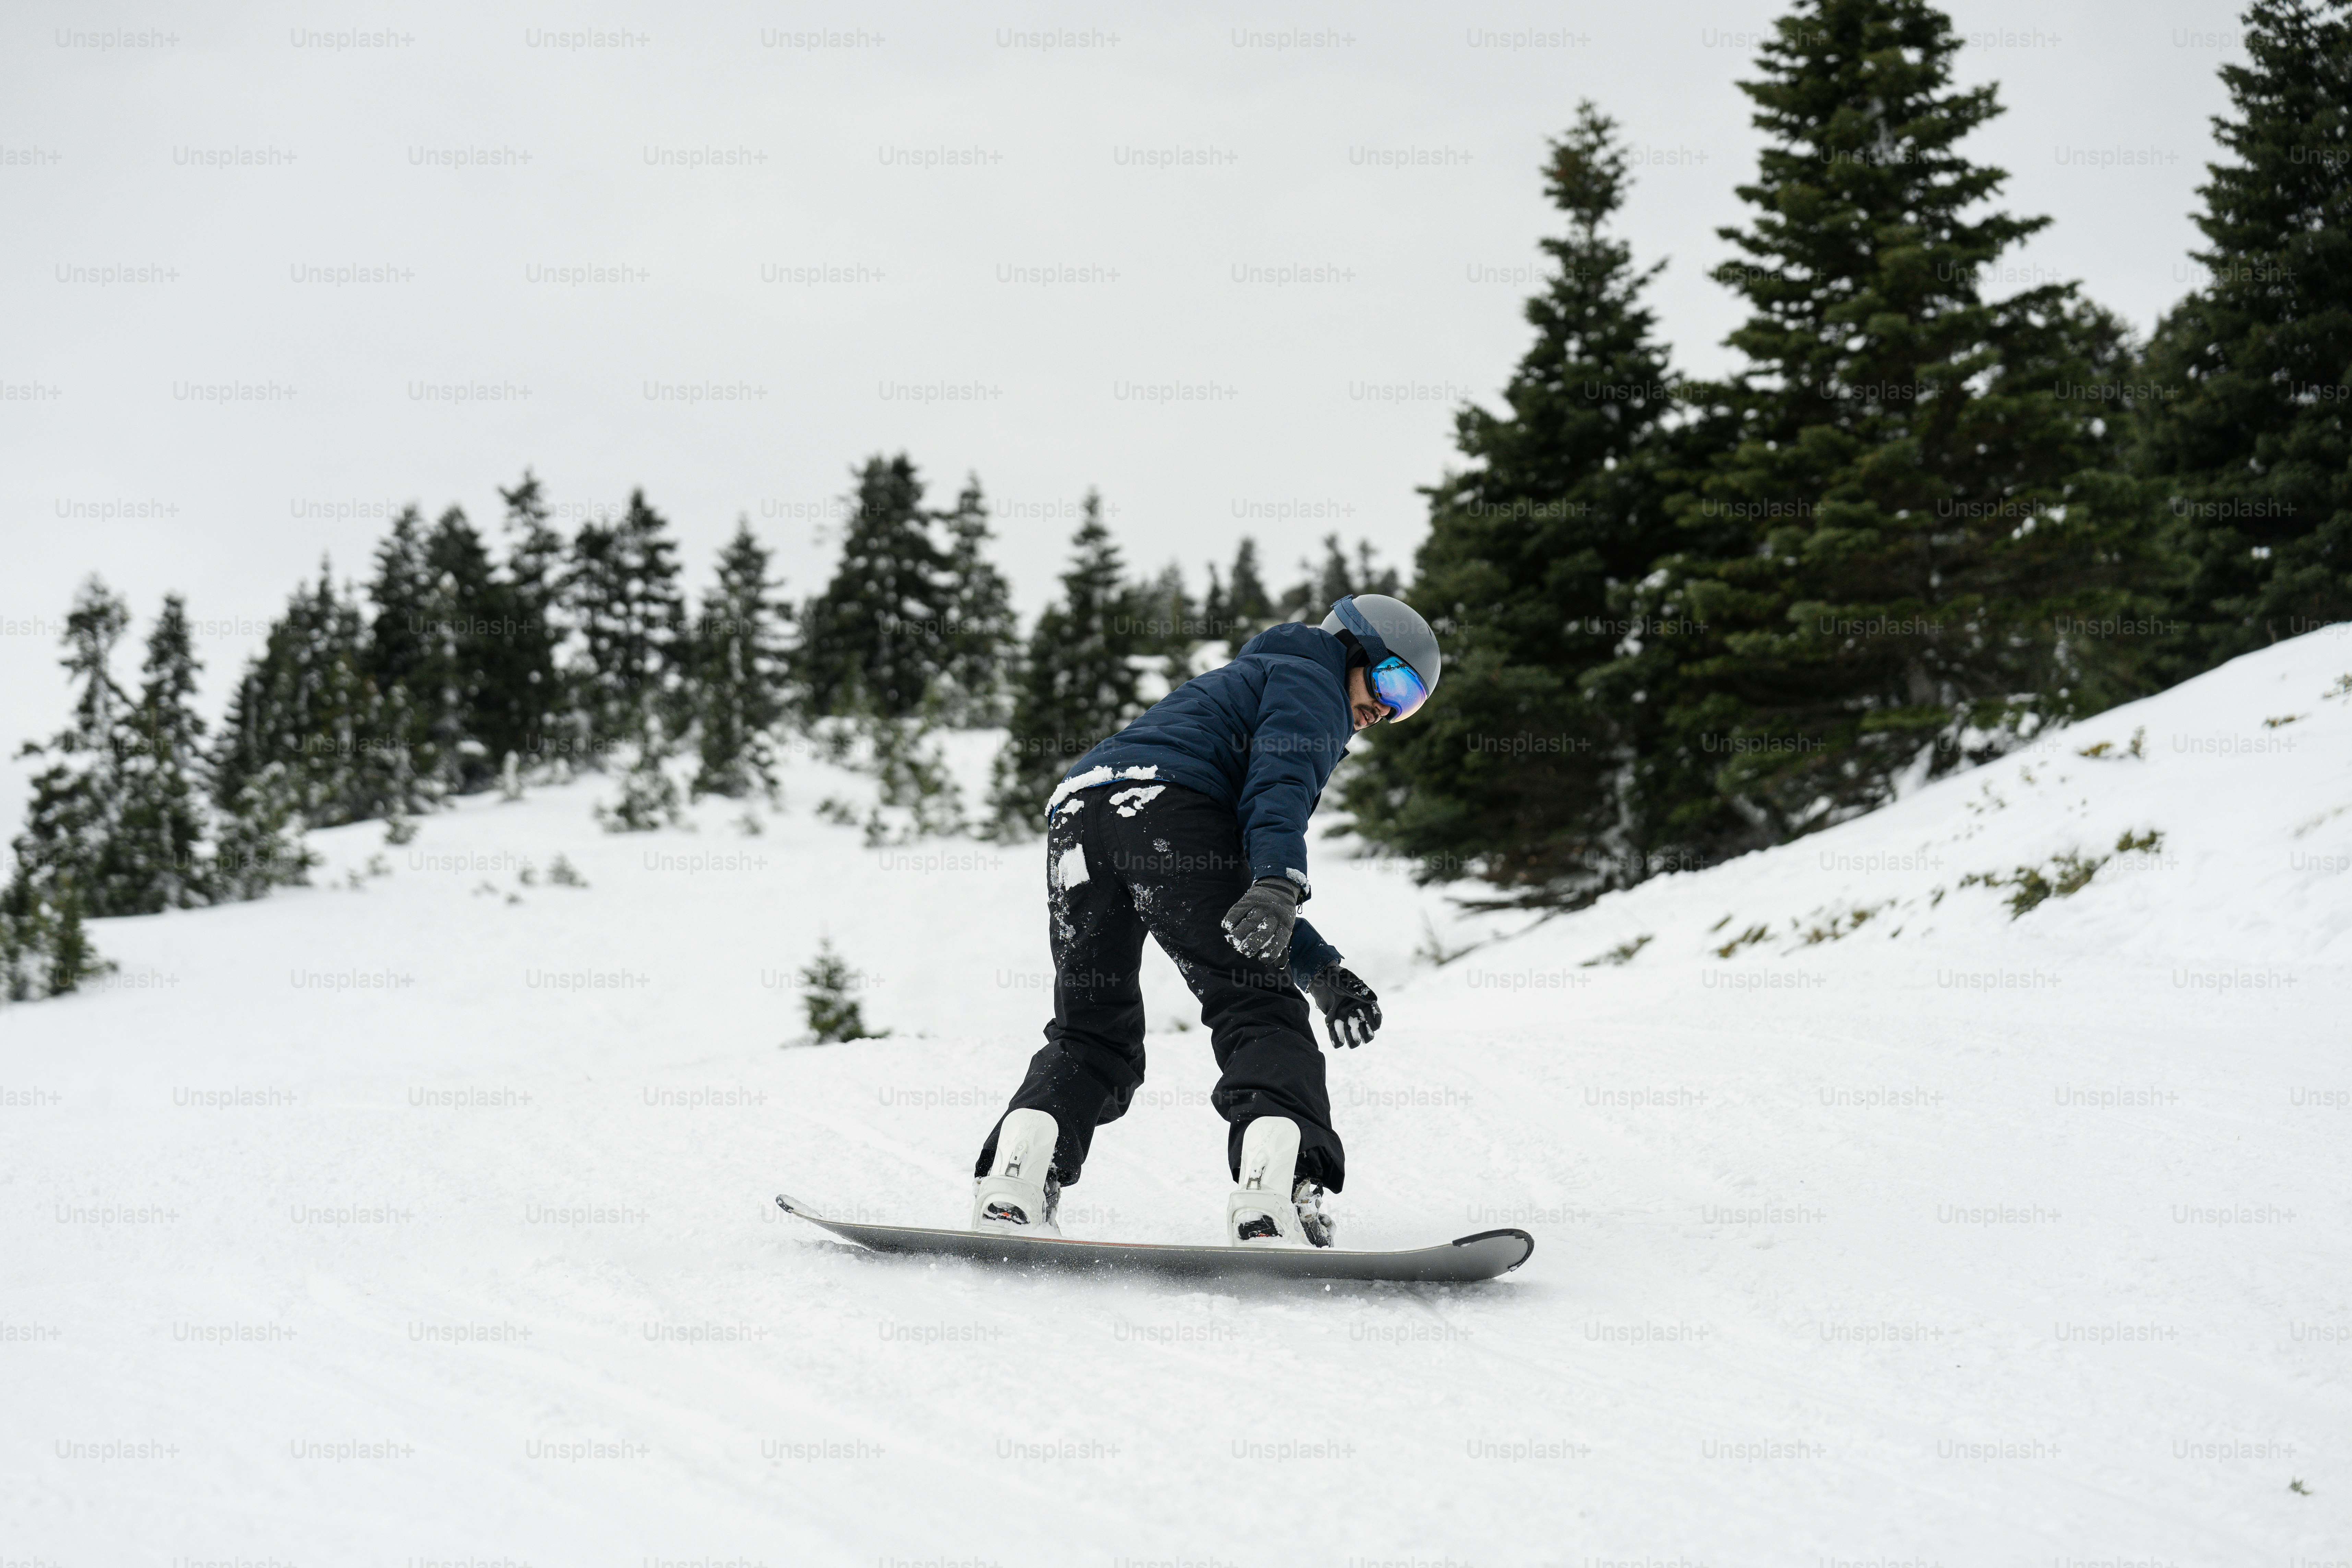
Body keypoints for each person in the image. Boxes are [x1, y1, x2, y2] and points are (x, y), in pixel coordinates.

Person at [970, 593, 1443, 1248]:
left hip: (1080, 817)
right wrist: (1282, 880)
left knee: (1092, 1029)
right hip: (1169, 810)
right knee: (1259, 1010)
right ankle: (1276, 1195)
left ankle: (1017, 1177)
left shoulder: (1236, 683)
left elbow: (1221, 879)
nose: (1387, 710)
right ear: (1354, 649)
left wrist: (1320, 967)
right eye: (1394, 682)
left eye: (1410, 704)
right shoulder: (1314, 679)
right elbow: (1277, 793)